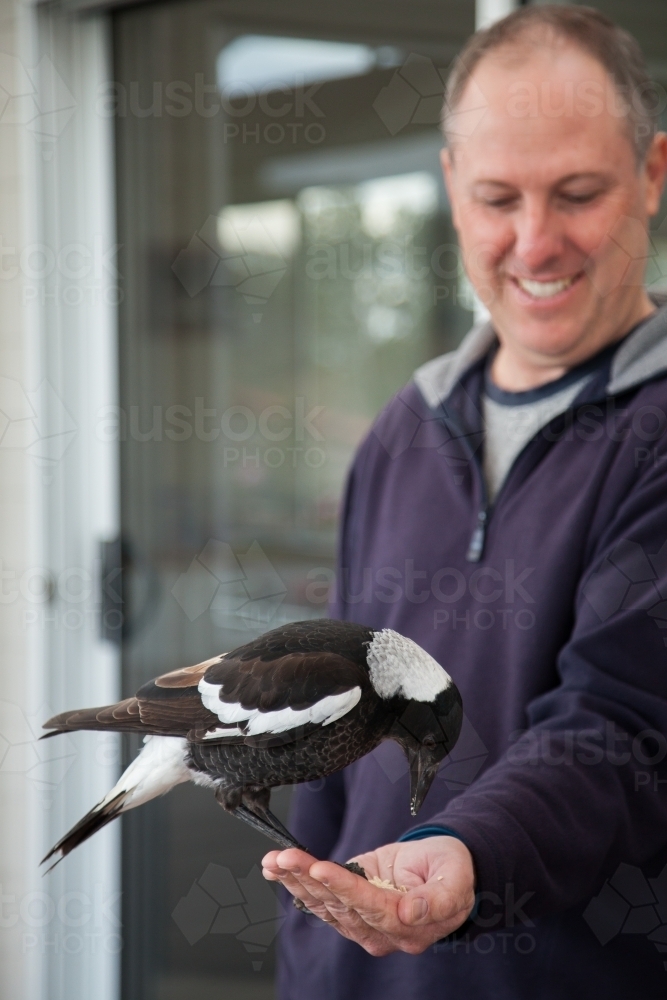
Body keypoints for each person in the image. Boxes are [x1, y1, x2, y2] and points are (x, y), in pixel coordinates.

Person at [262, 6, 667, 998]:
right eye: (496, 198)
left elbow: (619, 730)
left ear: (654, 174)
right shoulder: (404, 429)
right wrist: (306, 944)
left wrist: (461, 850)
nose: (534, 243)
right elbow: (335, 709)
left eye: (577, 194)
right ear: (450, 188)